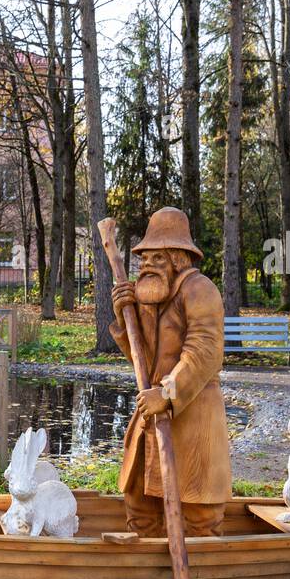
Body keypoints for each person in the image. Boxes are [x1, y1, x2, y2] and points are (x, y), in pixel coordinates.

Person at [109, 207, 231, 536]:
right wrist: (125, 319)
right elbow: (143, 363)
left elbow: (205, 352)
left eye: (157, 258)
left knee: (198, 511)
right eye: (143, 258)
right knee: (140, 503)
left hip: (192, 416)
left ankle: (204, 566)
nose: (146, 265)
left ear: (178, 258)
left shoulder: (200, 290)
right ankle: (145, 564)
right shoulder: (152, 298)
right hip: (150, 416)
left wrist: (167, 393)